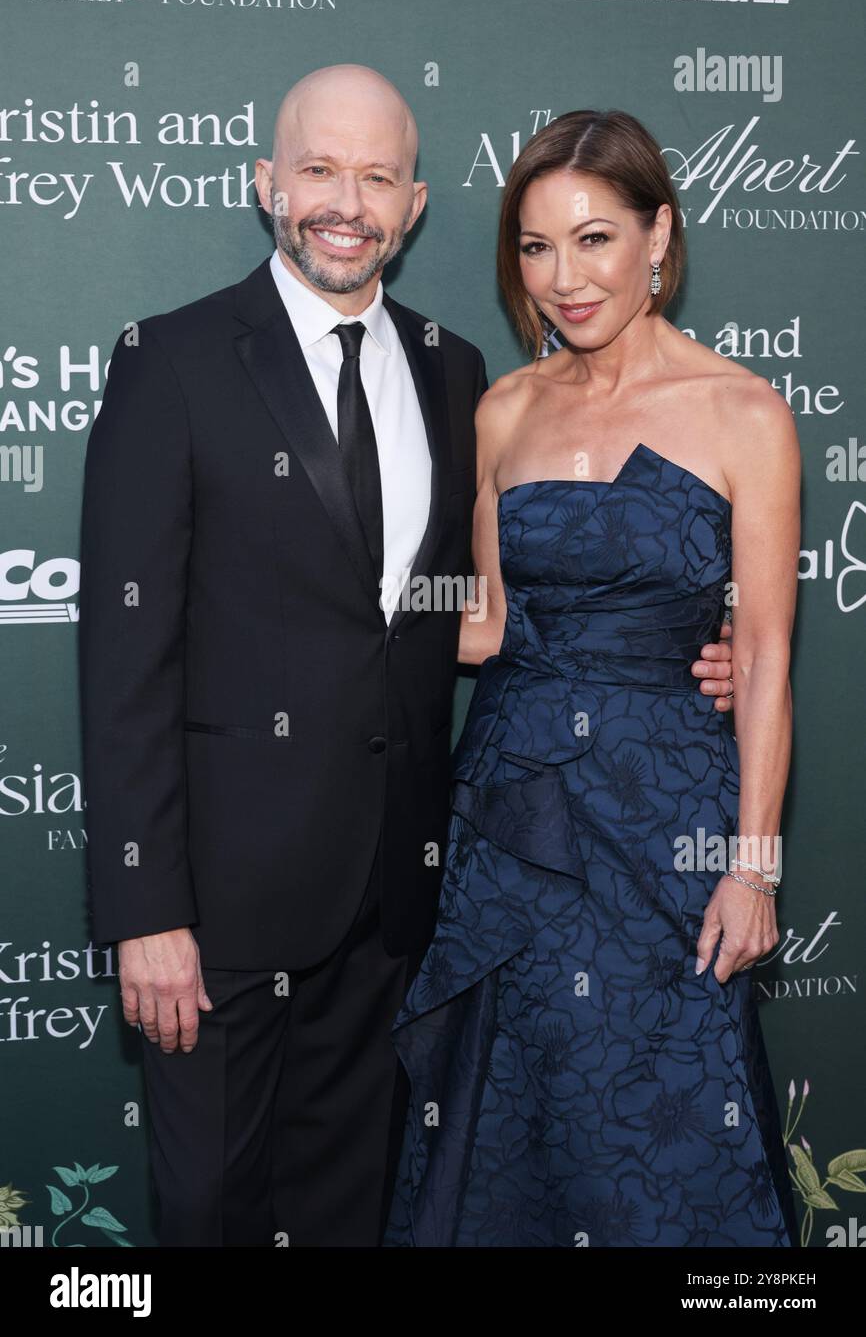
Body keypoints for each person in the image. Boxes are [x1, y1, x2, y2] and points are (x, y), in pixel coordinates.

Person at [78, 73, 735, 1248]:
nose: (346, 201)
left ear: (414, 203)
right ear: (265, 185)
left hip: (398, 902)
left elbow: (449, 609)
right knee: (208, 1215)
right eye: (319, 171)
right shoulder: (170, 362)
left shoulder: (453, 373)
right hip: (217, 915)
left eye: (376, 176)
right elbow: (128, 655)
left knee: (352, 1211)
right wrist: (143, 913)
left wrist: (679, 637)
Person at [383, 109, 800, 1248]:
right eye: (534, 247)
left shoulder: (743, 412)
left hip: (664, 823)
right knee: (510, 1106)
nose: (564, 279)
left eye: (594, 239)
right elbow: (485, 624)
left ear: (656, 235)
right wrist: (313, 619)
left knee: (664, 1114)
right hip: (510, 809)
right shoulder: (503, 410)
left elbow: (761, 658)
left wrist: (751, 867)